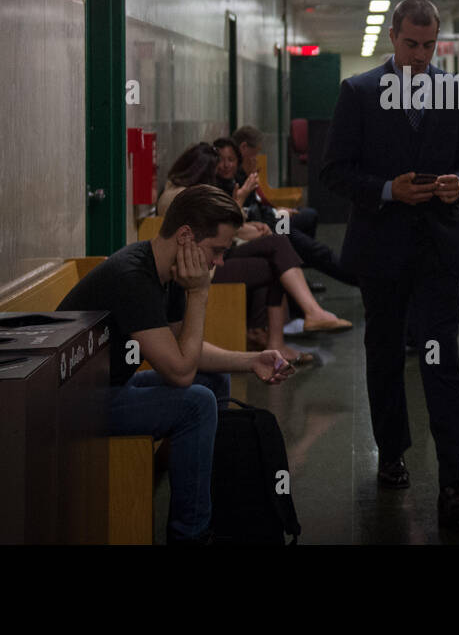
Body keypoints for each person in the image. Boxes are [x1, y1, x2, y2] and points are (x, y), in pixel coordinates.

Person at [321, 0, 459, 527]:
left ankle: (453, 481)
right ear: (393, 37)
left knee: (442, 360)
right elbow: (336, 171)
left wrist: (457, 184)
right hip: (382, 247)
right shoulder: (359, 92)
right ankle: (391, 453)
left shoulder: (454, 93)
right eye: (411, 43)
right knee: (385, 352)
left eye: (429, 45)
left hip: (438, 245)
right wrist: (387, 190)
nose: (419, 55)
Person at [57, 184, 294, 545]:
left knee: (212, 382)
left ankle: (202, 500)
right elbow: (180, 372)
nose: (219, 262)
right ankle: (191, 535)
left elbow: (187, 349)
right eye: (216, 250)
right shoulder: (133, 278)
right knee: (196, 403)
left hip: (109, 389)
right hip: (75, 407)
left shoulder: (162, 271)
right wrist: (199, 293)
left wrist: (251, 360)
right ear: (185, 235)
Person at [157, 142, 352, 362]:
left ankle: (276, 332)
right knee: (277, 251)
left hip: (211, 258)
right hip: (201, 268)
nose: (222, 170)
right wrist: (241, 203)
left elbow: (220, 229)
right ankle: (293, 323)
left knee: (277, 249)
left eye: (231, 160)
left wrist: (250, 226)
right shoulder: (184, 198)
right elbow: (219, 234)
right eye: (215, 169)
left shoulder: (182, 192)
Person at [230, 125, 359, 288]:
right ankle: (351, 277)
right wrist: (276, 212)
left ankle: (300, 268)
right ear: (244, 148)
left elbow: (260, 202)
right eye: (255, 153)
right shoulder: (237, 176)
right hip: (268, 224)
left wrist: (278, 210)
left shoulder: (246, 170)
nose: (257, 157)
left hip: (270, 216)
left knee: (309, 215)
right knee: (311, 247)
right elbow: (250, 210)